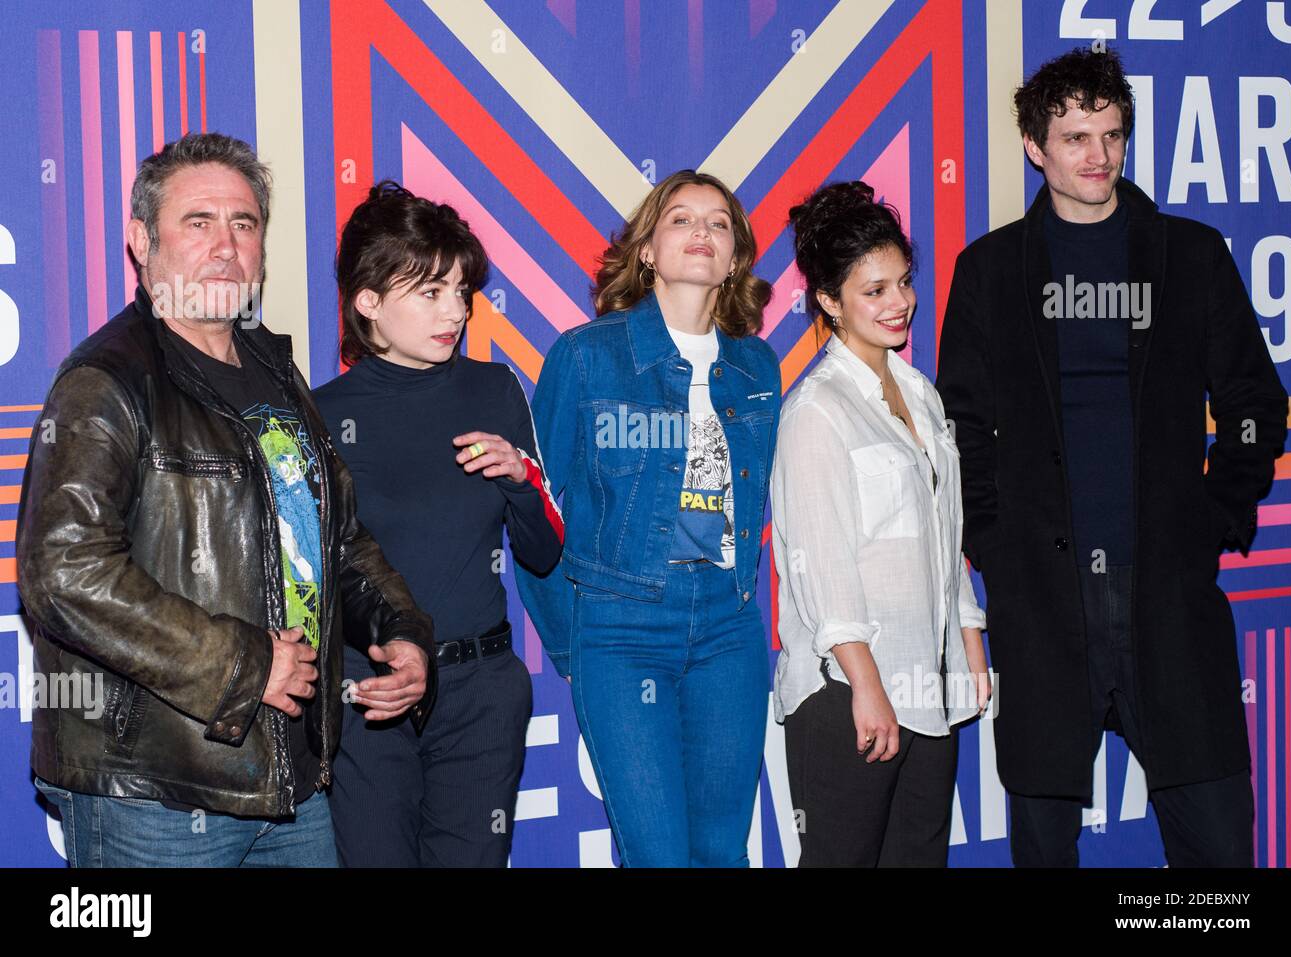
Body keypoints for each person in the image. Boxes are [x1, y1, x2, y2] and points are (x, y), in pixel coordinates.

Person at [17, 133, 434, 867]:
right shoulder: (106, 380)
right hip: (154, 789)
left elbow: (332, 533)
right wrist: (243, 666)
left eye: (244, 223)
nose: (225, 244)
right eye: (198, 221)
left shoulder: (276, 370)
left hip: (289, 777)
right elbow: (64, 574)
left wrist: (399, 626)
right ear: (143, 242)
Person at [936, 47, 1288, 867]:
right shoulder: (989, 272)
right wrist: (994, 544)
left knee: (1219, 856)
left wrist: (1214, 517)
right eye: (1075, 137)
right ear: (1035, 148)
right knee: (1045, 847)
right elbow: (960, 427)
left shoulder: (1191, 257)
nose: (1098, 155)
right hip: (1046, 604)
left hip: (1168, 591)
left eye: (1112, 134)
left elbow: (1254, 403)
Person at [516, 170, 780, 867]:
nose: (702, 233)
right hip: (622, 630)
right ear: (648, 252)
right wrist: (575, 645)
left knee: (722, 850)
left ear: (735, 256)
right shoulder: (587, 356)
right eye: (681, 220)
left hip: (729, 626)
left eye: (719, 223)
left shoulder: (758, 367)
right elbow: (532, 514)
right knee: (658, 855)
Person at [314, 182, 563, 867]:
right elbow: (317, 573)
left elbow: (543, 551)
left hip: (481, 693)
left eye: (461, 291)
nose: (455, 310)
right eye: (431, 292)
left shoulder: (495, 389)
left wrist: (523, 477)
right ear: (367, 301)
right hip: (372, 695)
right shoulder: (320, 415)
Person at [772, 182, 989, 867]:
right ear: (830, 303)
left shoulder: (920, 392)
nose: (899, 303)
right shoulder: (817, 409)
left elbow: (941, 539)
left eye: (903, 282)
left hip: (929, 682)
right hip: (847, 690)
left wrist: (971, 646)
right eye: (874, 291)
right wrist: (867, 686)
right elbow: (821, 564)